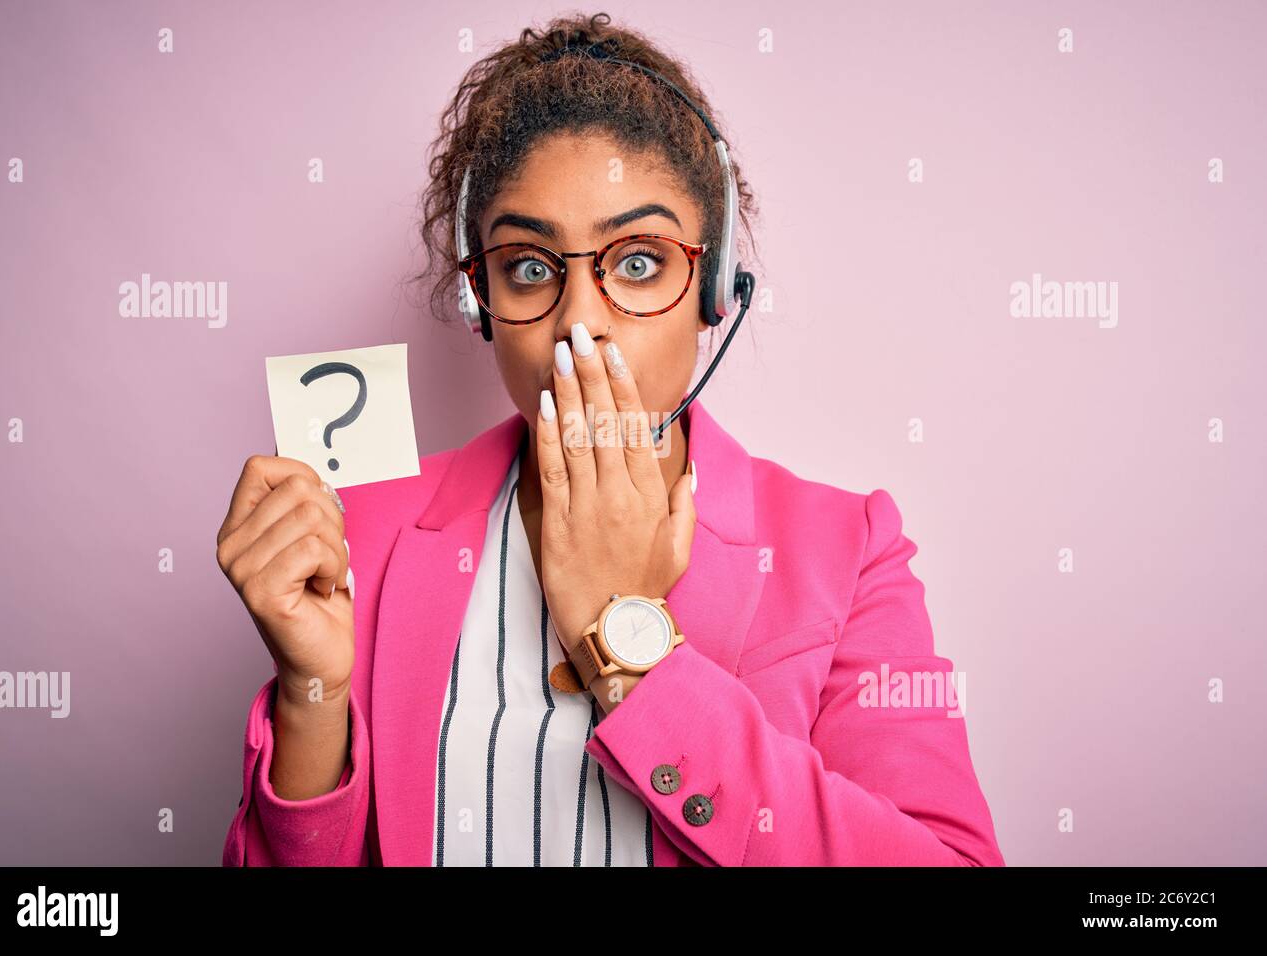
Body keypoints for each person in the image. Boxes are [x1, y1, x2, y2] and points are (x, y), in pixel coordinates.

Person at [217, 12, 1004, 867]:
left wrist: (627, 647)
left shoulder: (846, 552)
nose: (579, 325)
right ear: (481, 300)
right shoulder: (366, 537)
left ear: (714, 289)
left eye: (637, 261)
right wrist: (312, 694)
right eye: (528, 267)